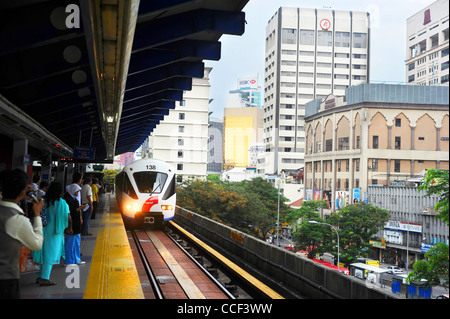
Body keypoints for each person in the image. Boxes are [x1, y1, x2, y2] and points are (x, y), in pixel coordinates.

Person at [0, 169, 44, 299]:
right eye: (26, 186)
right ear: (22, 192)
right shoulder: (17, 220)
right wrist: (37, 215)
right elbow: (36, 244)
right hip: (5, 281)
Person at [32, 182, 69, 286]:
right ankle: (45, 278)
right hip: (54, 232)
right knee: (50, 254)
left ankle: (38, 276)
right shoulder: (62, 203)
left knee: (40, 252)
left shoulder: (43, 201)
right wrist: (69, 228)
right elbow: (67, 217)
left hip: (41, 229)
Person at [63, 184, 87, 266]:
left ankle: (76, 259)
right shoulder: (67, 199)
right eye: (77, 191)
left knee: (76, 242)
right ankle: (69, 261)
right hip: (70, 224)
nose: (78, 192)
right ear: (73, 191)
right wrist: (80, 208)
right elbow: (70, 212)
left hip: (76, 224)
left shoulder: (73, 198)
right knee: (69, 243)